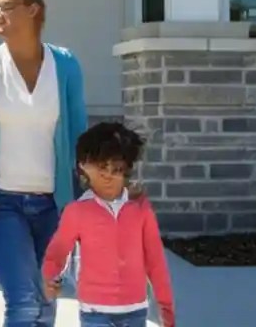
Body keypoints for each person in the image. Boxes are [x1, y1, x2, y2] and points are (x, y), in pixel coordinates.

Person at [0, 0, 88, 327]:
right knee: (24, 300)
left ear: (33, 10)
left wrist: (89, 195)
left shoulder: (66, 65)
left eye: (5, 6)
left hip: (53, 204)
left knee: (45, 300)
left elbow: (78, 132)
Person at [42, 122, 176, 327]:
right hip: (95, 311)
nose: (108, 175)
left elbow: (155, 259)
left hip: (135, 310)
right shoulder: (77, 211)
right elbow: (58, 250)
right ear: (84, 166)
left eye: (116, 169)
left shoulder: (140, 210)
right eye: (101, 167)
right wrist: (49, 276)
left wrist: (165, 305)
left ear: (126, 170)